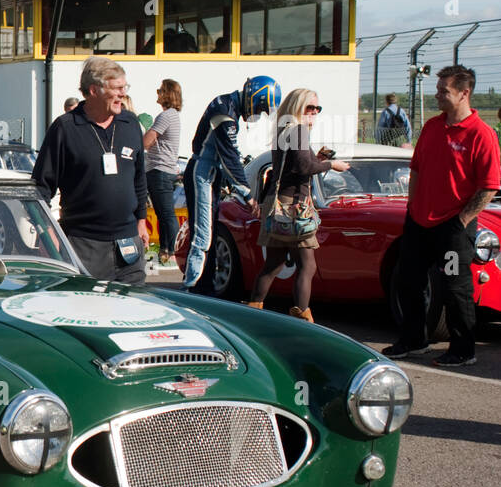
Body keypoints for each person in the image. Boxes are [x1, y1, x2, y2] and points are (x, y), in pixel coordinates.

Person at [383, 65, 501, 367]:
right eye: (437, 90)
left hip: (452, 227)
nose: (437, 95)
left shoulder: (481, 134)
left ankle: (463, 349)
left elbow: (489, 186)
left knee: (454, 287)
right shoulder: (433, 127)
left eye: (443, 91)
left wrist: (460, 221)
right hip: (419, 222)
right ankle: (413, 340)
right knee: (409, 281)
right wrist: (413, 208)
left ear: (464, 93)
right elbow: (417, 170)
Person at [32, 57, 148, 285]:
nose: (122, 94)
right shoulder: (65, 128)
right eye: (116, 88)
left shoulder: (130, 124)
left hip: (128, 246)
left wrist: (141, 221)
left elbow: (139, 178)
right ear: (94, 90)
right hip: (83, 245)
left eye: (125, 87)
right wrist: (48, 233)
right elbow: (40, 189)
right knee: (86, 313)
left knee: (132, 312)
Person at [246, 88, 350, 320]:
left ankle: (253, 308)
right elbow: (304, 168)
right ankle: (302, 315)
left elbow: (295, 165)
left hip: (277, 202)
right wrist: (332, 165)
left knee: (273, 263)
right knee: (307, 264)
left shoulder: (285, 130)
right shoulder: (299, 130)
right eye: (309, 107)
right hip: (294, 205)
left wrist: (318, 160)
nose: (313, 112)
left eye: (317, 108)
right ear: (296, 107)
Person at [181, 76, 275, 290]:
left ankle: (205, 285)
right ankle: (192, 287)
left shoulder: (226, 104)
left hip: (209, 171)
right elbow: (229, 157)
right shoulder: (225, 113)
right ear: (254, 97)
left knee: (209, 233)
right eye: (260, 108)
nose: (257, 114)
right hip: (201, 172)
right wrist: (247, 194)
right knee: (203, 234)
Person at [142, 79, 182, 267]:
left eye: (160, 90)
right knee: (162, 212)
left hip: (160, 169)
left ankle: (171, 252)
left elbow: (147, 141)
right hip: (163, 169)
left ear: (167, 94)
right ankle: (166, 251)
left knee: (166, 213)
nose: (157, 93)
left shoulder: (165, 116)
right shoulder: (172, 116)